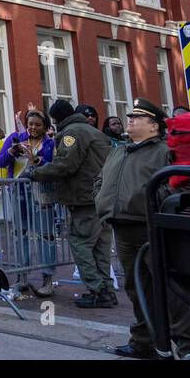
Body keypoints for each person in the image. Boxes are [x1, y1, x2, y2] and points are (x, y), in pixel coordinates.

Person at [96, 98, 190, 359]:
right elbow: (101, 180)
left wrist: (151, 201)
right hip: (122, 227)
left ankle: (187, 345)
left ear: (154, 126)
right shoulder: (119, 150)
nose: (130, 119)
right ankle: (144, 341)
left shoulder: (164, 151)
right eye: (130, 116)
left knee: (170, 287)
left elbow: (181, 184)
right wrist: (101, 197)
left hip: (151, 227)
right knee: (136, 287)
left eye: (138, 117)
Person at [30, 100, 116, 308]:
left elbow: (66, 164)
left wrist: (36, 173)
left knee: (80, 243)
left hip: (85, 198)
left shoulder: (72, 133)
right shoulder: (94, 132)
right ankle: (106, 290)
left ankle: (97, 290)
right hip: (102, 197)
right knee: (101, 247)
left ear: (56, 119)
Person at [0, 107, 57, 297]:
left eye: (38, 125)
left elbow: (54, 166)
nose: (33, 128)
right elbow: (1, 161)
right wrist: (11, 151)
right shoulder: (16, 137)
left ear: (45, 126)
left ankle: (47, 279)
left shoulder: (50, 143)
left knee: (45, 234)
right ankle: (21, 277)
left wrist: (37, 161)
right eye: (30, 124)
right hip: (18, 191)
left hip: (41, 192)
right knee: (19, 233)